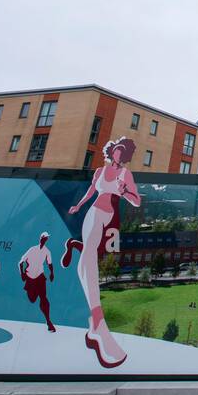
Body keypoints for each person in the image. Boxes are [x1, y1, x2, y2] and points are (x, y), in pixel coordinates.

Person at [63, 137, 140, 368]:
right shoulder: (99, 171)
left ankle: (96, 321)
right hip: (94, 212)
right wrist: (78, 205)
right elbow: (90, 192)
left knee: (88, 258)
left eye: (122, 151)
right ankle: (97, 320)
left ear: (125, 155)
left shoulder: (125, 175)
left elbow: (136, 201)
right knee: (88, 257)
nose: (118, 153)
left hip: (110, 216)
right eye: (116, 149)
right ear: (111, 151)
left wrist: (125, 191)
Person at [18, 232, 56, 331]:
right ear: (40, 239)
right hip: (30, 277)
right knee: (32, 299)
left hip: (40, 277)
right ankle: (37, 301)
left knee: (43, 298)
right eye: (44, 238)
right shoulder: (32, 249)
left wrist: (52, 273)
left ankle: (49, 322)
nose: (45, 240)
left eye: (46, 238)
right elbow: (21, 262)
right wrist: (22, 274)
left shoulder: (47, 251)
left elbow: (49, 263)